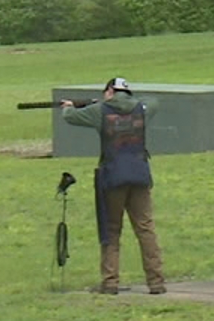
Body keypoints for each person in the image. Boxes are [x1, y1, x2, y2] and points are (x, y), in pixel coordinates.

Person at [60, 78, 165, 295]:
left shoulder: (99, 110)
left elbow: (70, 117)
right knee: (145, 228)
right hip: (139, 173)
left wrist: (69, 107)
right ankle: (156, 282)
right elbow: (154, 102)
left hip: (113, 176)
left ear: (109, 91)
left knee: (111, 230)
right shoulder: (141, 108)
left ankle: (110, 282)